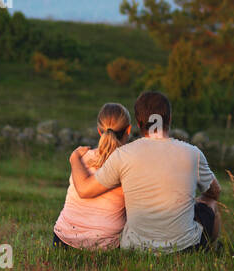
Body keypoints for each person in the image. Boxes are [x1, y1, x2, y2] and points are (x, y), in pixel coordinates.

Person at [70, 90, 221, 252]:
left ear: (138, 123)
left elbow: (85, 190)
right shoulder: (193, 153)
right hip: (184, 247)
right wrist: (197, 200)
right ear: (169, 119)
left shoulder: (123, 155)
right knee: (211, 204)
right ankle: (212, 249)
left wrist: (74, 159)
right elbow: (215, 191)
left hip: (136, 248)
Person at [53, 103, 130, 249]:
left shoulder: (81, 157)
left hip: (62, 238)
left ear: (99, 131)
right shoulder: (127, 166)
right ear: (129, 130)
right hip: (104, 244)